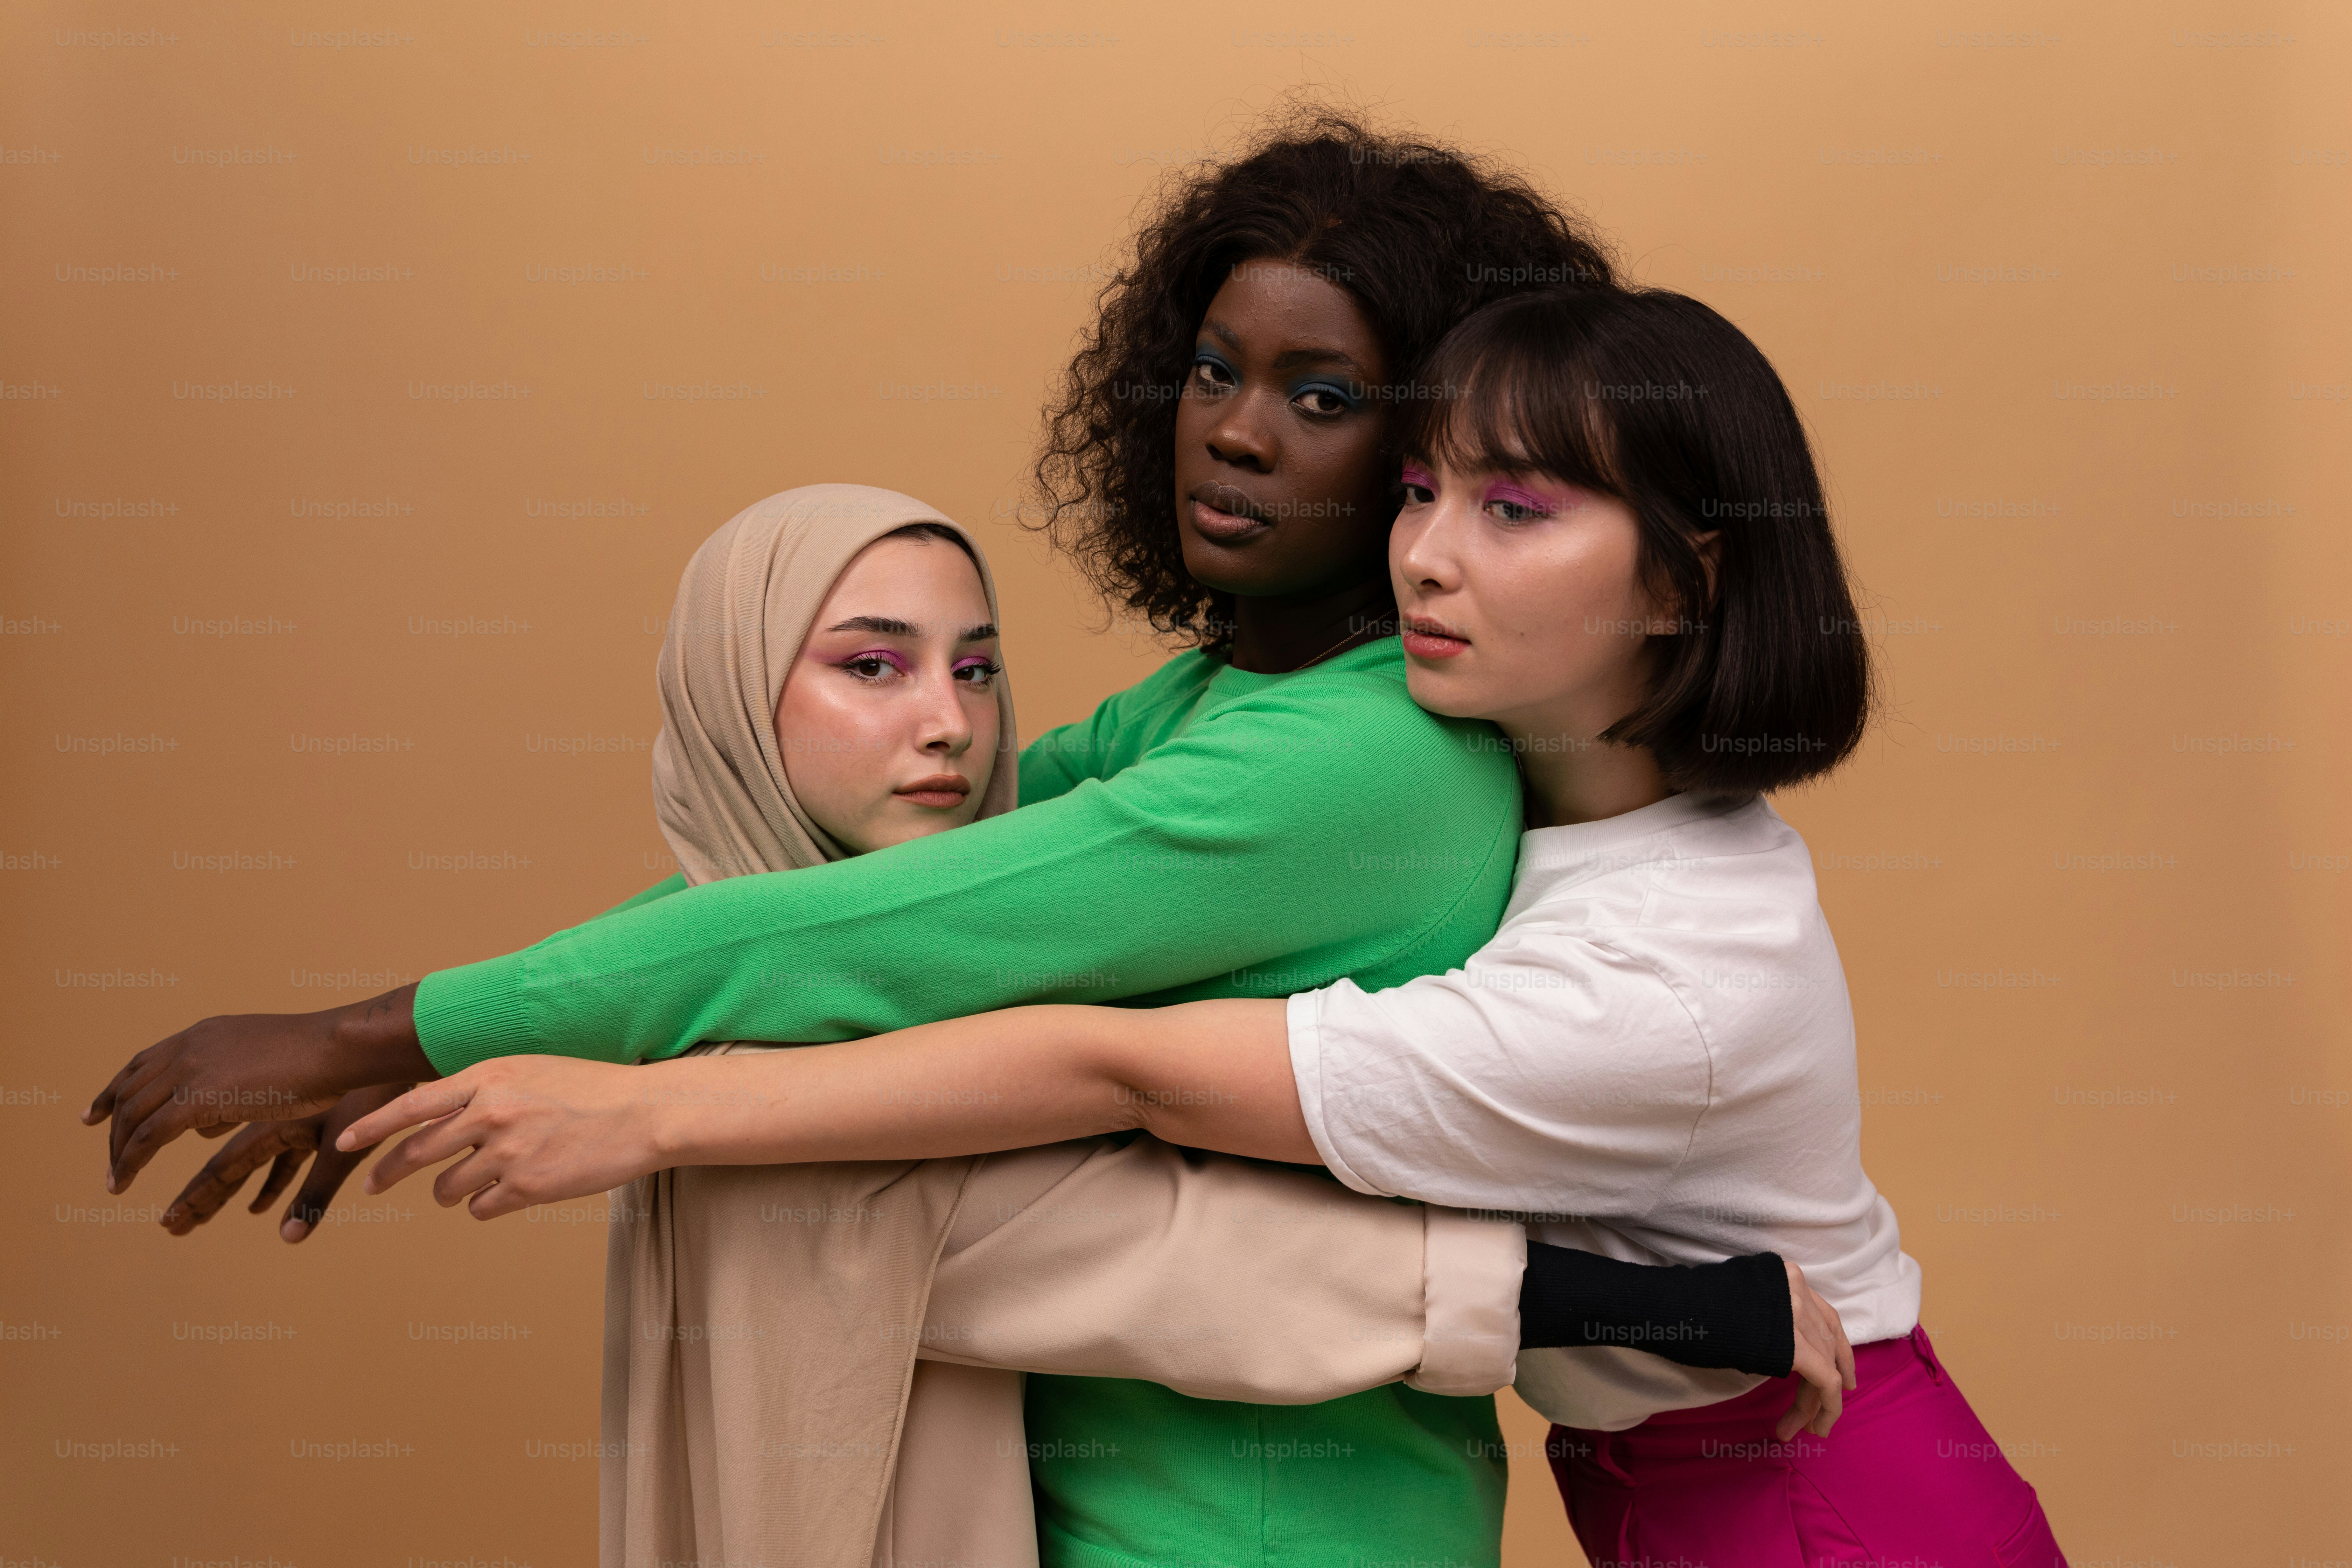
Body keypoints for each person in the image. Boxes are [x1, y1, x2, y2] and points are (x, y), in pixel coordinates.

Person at [91, 113, 1648, 1568]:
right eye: (1213, 370)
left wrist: (385, 1031)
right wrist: (433, 1039)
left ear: (1425, 451)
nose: (1235, 434)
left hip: (1259, 1529)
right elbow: (869, 889)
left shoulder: (1367, 759)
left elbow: (871, 939)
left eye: (1321, 399)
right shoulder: (1218, 700)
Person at [346, 286, 2070, 1568]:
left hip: (1827, 1503)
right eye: (1418, 489)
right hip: (1676, 1486)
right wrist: (495, 1010)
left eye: (1516, 511)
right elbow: (979, 881)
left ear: (1686, 581)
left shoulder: (1654, 973)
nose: (1425, 560)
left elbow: (1130, 1086)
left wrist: (635, 1098)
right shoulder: (1522, 797)